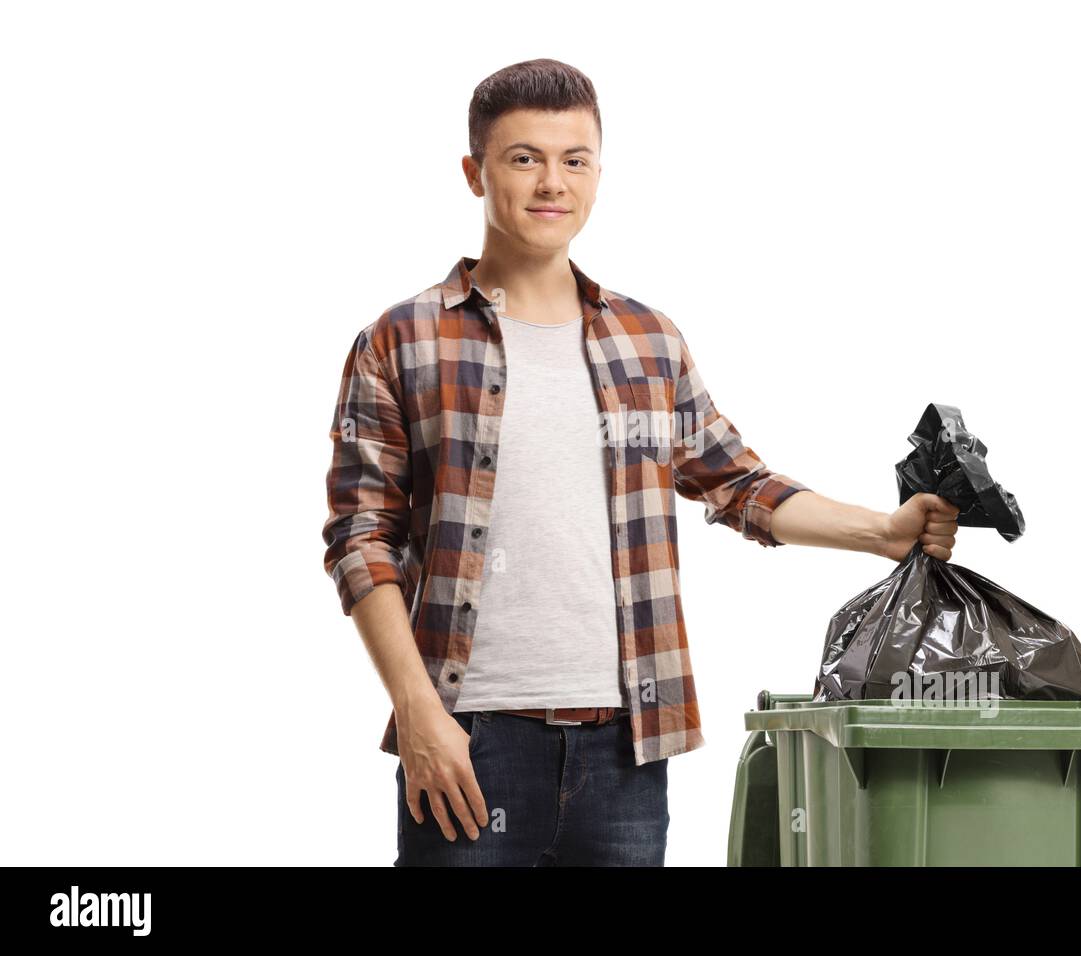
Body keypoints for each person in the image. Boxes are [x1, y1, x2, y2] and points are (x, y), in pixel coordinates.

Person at [321, 58, 960, 867]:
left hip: (626, 750)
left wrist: (884, 532)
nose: (552, 182)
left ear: (597, 173)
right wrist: (416, 711)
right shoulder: (401, 339)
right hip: (468, 740)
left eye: (575, 160)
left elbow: (738, 484)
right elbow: (359, 536)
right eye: (524, 158)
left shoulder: (647, 341)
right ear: (474, 172)